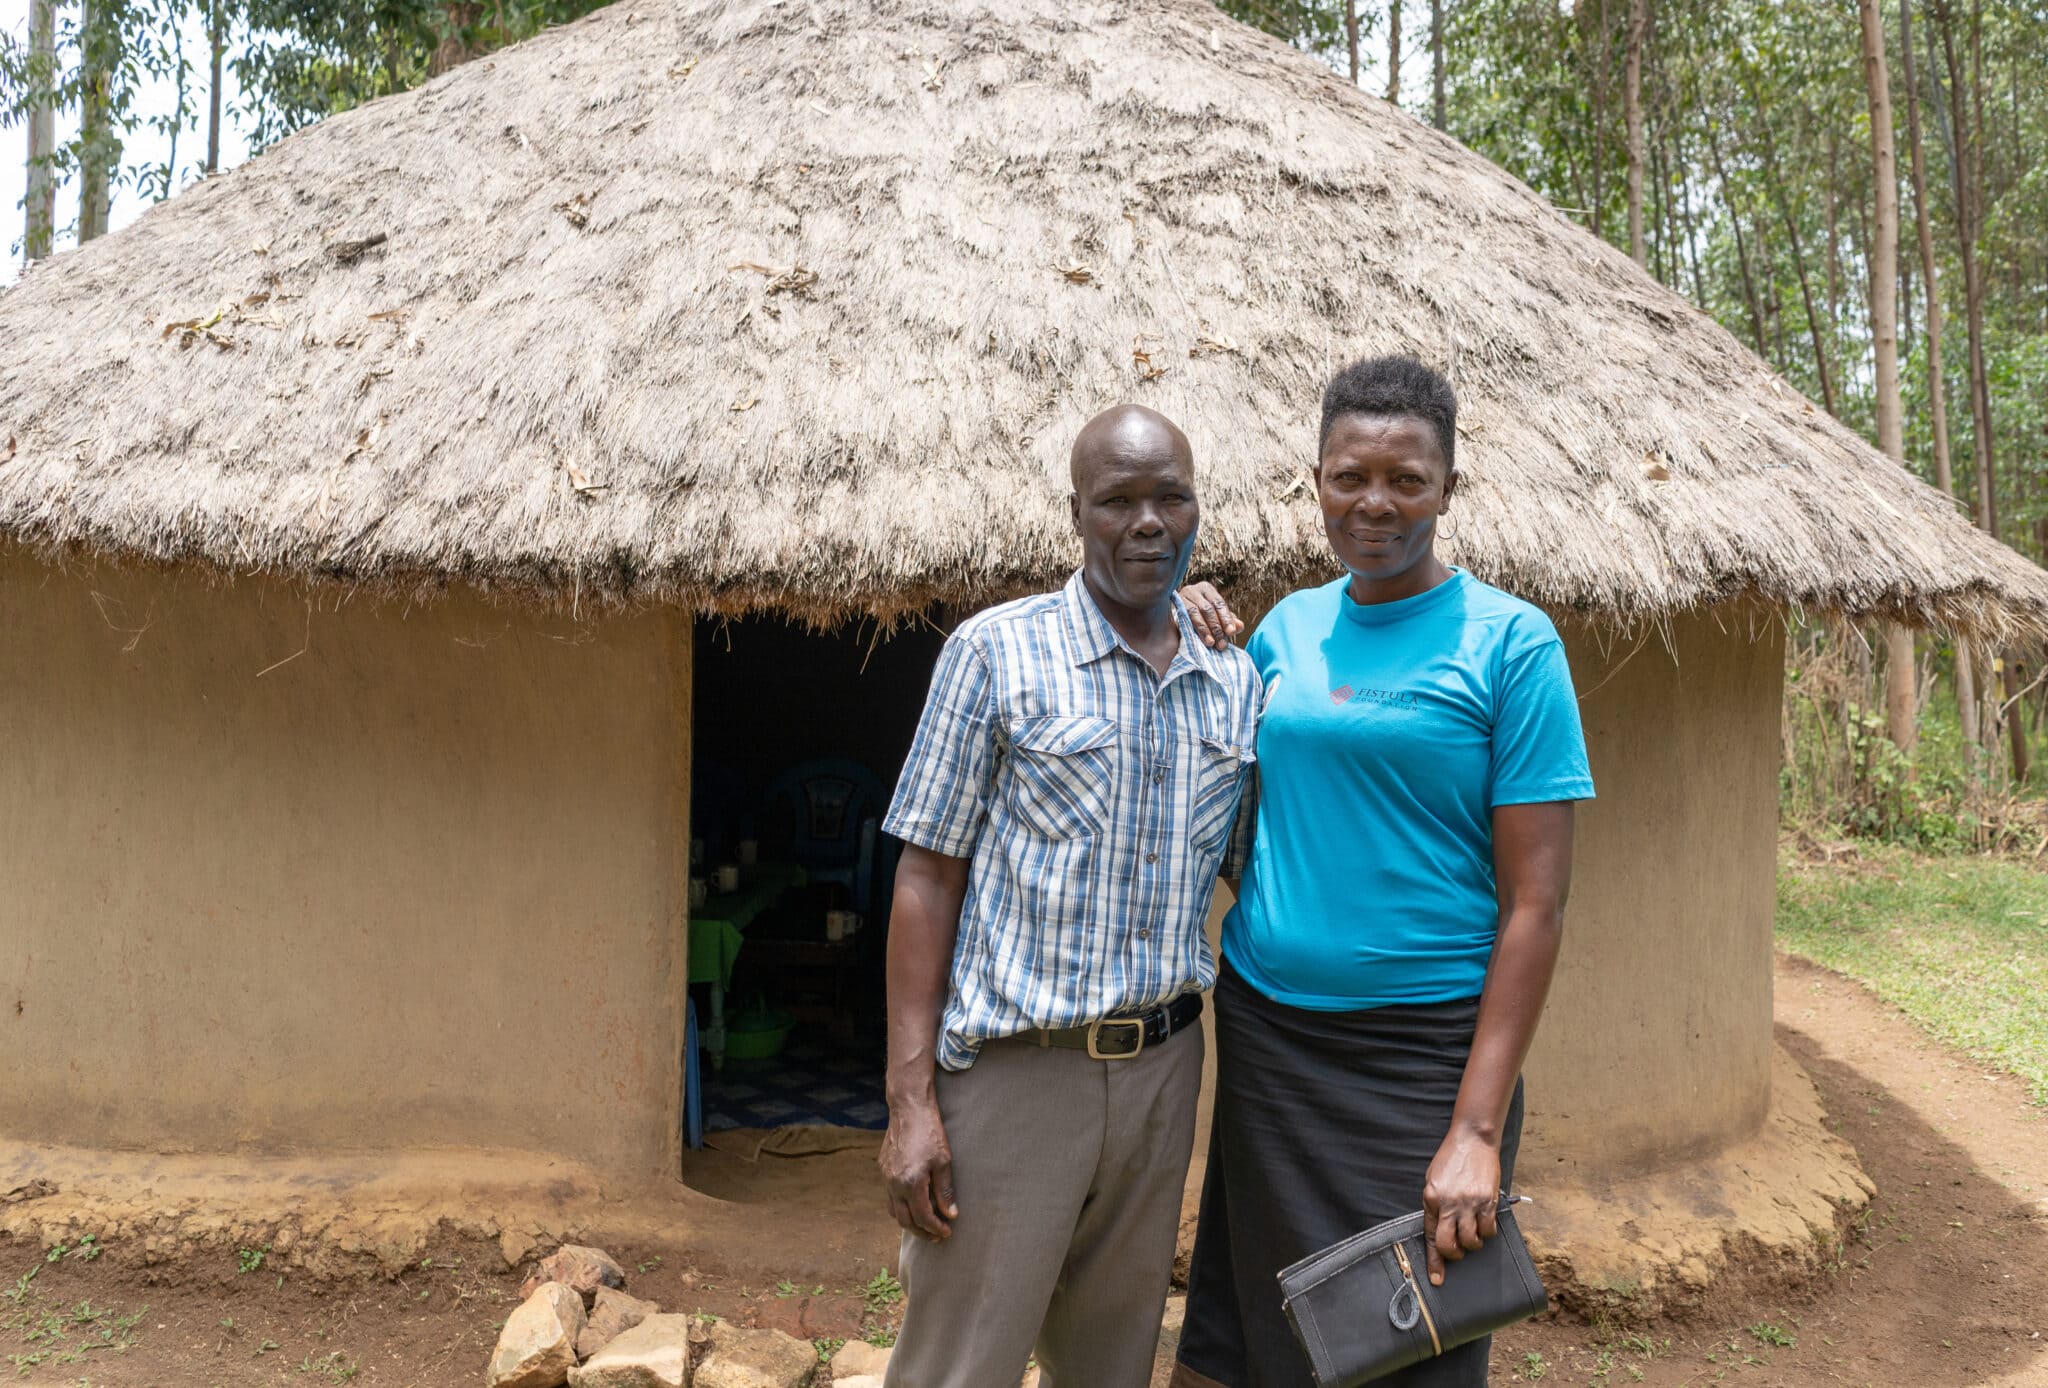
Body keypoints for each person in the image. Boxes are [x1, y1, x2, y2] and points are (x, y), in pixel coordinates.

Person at [1171, 356, 1594, 1388]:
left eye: (1406, 479)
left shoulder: (1510, 645)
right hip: (1272, 1038)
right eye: (1347, 475)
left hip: (1424, 1059)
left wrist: (1474, 1128)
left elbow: (1534, 905)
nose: (1375, 501)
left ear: (1447, 488)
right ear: (1313, 481)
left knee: (1409, 1346)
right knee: (1264, 1336)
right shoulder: (1285, 631)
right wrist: (1174, 622)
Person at [877, 403, 1263, 1388]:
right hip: (1015, 1075)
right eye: (1116, 499)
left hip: (1163, 1073)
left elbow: (1253, 864)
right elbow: (927, 876)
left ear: (1195, 509)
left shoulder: (1234, 676)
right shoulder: (992, 653)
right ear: (1075, 513)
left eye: (1168, 497)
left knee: (1112, 1356)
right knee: (959, 1362)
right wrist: (909, 1099)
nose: (1146, 522)